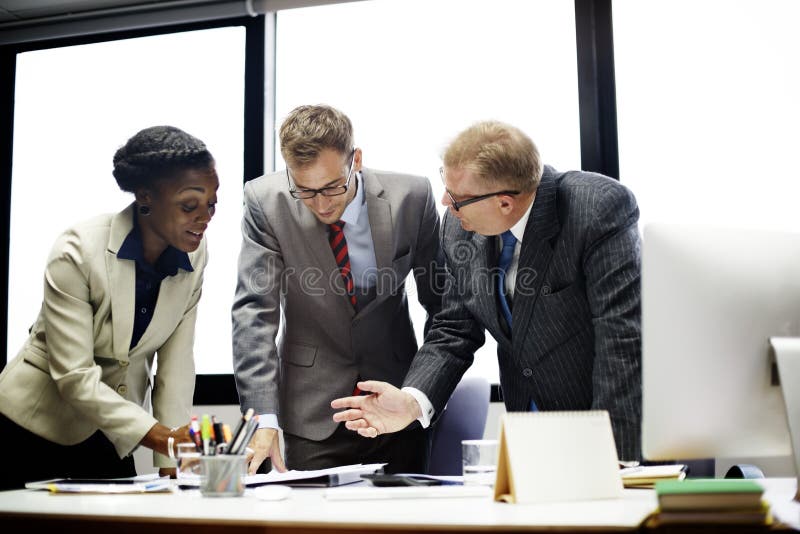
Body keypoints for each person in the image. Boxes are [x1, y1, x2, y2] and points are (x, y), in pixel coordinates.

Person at [331, 120, 643, 461]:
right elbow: (453, 329)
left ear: (505, 203)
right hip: (531, 433)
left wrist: (616, 459)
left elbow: (621, 338)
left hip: (608, 427)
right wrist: (411, 401)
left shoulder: (595, 210)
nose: (445, 202)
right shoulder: (460, 226)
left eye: (459, 198)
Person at [0, 126, 219, 489]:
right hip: (29, 430)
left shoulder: (195, 252)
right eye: (189, 205)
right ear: (146, 198)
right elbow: (73, 376)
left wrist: (171, 465)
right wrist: (160, 436)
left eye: (212, 203)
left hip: (110, 434)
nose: (205, 217)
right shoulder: (77, 251)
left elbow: (176, 367)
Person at [232, 104, 443, 474]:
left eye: (332, 187)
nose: (322, 204)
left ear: (356, 160)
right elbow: (254, 315)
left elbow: (443, 310)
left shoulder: (413, 197)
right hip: (312, 415)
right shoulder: (265, 202)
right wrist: (264, 420)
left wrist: (418, 394)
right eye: (305, 192)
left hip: (397, 408)